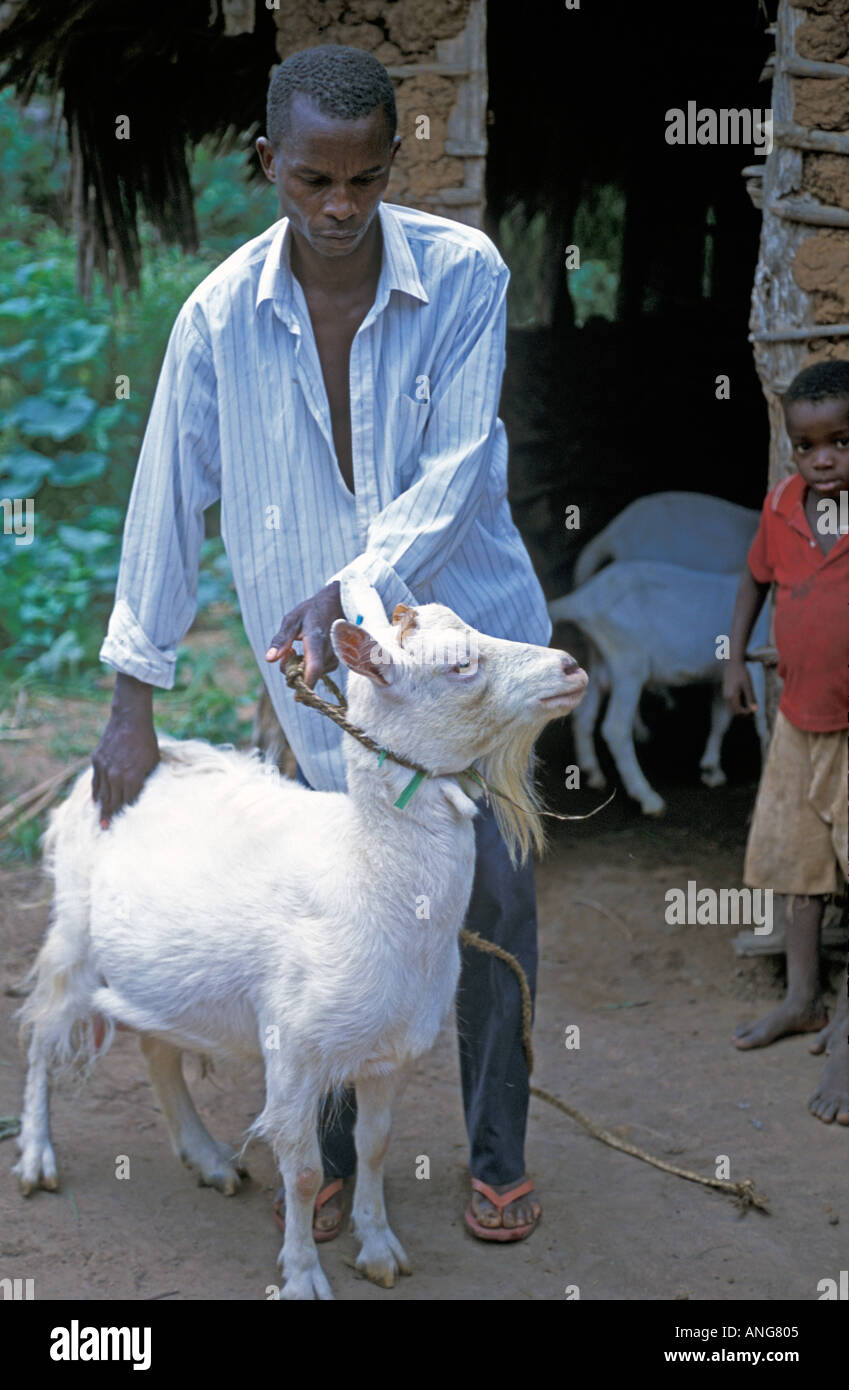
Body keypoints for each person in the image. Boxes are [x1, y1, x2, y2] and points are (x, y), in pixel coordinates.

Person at [93, 45, 551, 1237]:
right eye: (311, 183)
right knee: (338, 908)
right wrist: (130, 698)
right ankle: (330, 1151)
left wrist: (350, 584)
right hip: (329, 693)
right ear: (267, 167)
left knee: (493, 893)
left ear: (391, 164)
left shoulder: (465, 276)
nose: (339, 208)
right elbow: (164, 501)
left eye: (360, 181)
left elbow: (454, 475)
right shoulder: (215, 322)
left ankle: (497, 1150)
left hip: (472, 664)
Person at [724, 359, 849, 1125]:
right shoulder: (780, 508)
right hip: (796, 721)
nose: (824, 458)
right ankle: (802, 999)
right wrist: (734, 656)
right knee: (801, 867)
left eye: (841, 441)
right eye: (808, 446)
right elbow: (752, 581)